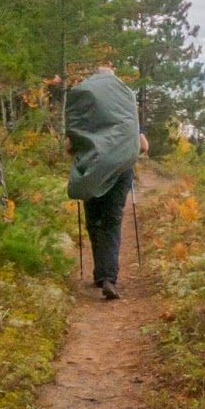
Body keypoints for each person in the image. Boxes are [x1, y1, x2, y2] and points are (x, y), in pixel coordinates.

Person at [65, 61, 147, 299]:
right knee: (112, 221)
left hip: (92, 170)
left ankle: (100, 274)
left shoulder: (86, 111)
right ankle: (109, 278)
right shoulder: (127, 111)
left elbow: (69, 146)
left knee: (94, 221)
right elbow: (143, 146)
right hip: (122, 173)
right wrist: (122, 155)